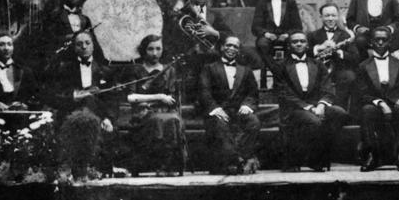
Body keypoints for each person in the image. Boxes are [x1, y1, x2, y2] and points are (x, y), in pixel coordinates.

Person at [271, 31, 348, 172]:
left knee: (340, 113)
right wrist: (309, 107)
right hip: (293, 108)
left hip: (316, 105)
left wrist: (321, 104)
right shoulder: (280, 66)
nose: (299, 44)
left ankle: (320, 154)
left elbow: (327, 87)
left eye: (302, 41)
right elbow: (283, 92)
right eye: (295, 42)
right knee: (314, 121)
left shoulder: (317, 64)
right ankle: (310, 159)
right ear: (289, 46)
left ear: (307, 45)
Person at [49, 31, 119, 178]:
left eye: (87, 43)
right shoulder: (64, 69)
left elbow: (111, 99)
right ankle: (73, 170)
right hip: (71, 113)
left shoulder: (105, 71)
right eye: (79, 44)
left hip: (98, 115)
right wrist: (74, 96)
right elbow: (54, 96)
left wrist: (108, 118)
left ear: (93, 45)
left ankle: (97, 171)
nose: (84, 47)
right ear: (74, 48)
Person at [355, 26, 399, 172]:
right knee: (366, 110)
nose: (380, 43)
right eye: (377, 39)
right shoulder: (363, 66)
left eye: (384, 39)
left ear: (390, 42)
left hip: (397, 103)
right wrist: (380, 103)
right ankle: (371, 155)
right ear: (371, 42)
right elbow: (361, 93)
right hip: (375, 104)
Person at [197, 35, 261, 175]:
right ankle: (236, 161)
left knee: (254, 122)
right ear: (221, 47)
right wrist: (215, 108)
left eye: (235, 46)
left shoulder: (246, 70)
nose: (231, 48)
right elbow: (204, 91)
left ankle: (237, 158)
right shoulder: (209, 68)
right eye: (228, 45)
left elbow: (253, 93)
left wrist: (246, 105)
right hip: (219, 110)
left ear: (238, 50)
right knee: (220, 124)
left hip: (238, 110)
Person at [123, 34, 184, 175]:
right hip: (142, 114)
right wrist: (159, 97)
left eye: (158, 49)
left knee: (173, 119)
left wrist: (158, 100)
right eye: (150, 49)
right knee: (157, 120)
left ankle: (168, 165)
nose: (155, 53)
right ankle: (159, 164)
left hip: (166, 111)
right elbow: (131, 97)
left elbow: (172, 98)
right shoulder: (136, 70)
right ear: (144, 50)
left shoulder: (169, 70)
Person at [307, 3, 360, 109]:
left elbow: (355, 57)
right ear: (321, 17)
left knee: (349, 76)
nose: (331, 19)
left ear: (338, 16)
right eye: (327, 16)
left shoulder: (346, 35)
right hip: (318, 70)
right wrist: (319, 47)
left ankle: (340, 108)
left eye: (333, 15)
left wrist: (339, 52)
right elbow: (305, 54)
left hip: (338, 70)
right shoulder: (312, 35)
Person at [251, 0, 302, 69]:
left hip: (286, 35)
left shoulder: (290, 1)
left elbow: (297, 26)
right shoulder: (262, 2)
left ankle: (290, 71)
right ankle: (276, 71)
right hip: (268, 36)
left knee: (296, 44)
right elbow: (255, 26)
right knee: (262, 44)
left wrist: (287, 34)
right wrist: (267, 34)